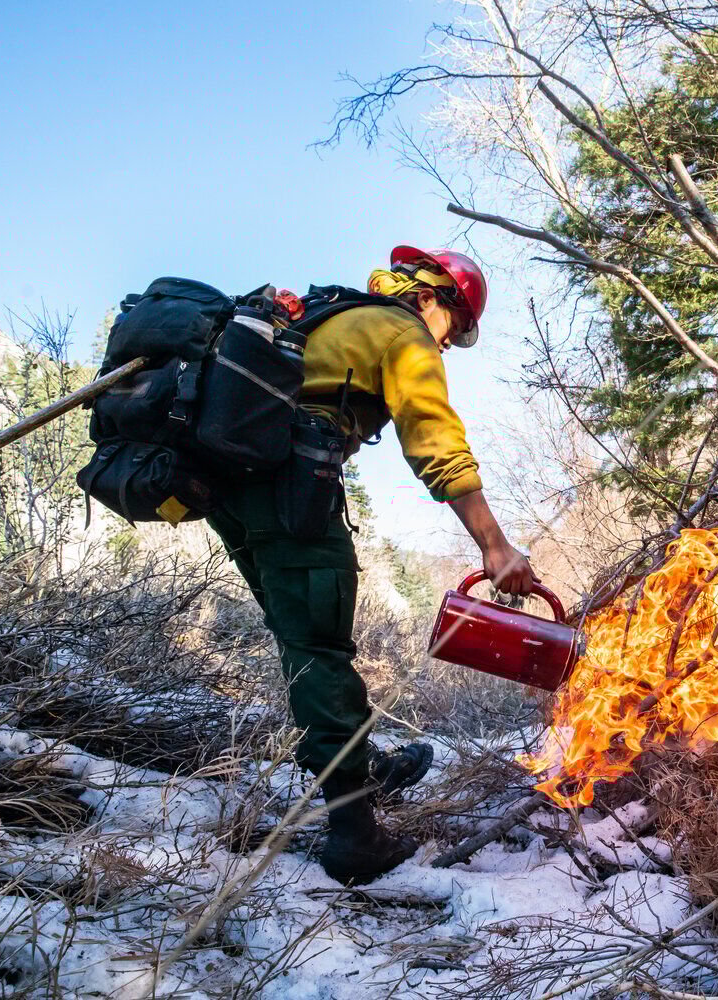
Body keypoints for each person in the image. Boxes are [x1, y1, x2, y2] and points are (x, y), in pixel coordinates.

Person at [205, 245, 538, 883]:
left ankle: (363, 766)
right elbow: (434, 438)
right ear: (433, 299)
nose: (448, 345)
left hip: (231, 486)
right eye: (457, 331)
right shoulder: (404, 332)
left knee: (300, 638)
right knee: (318, 650)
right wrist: (494, 545)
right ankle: (354, 835)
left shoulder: (334, 316)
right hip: (287, 488)